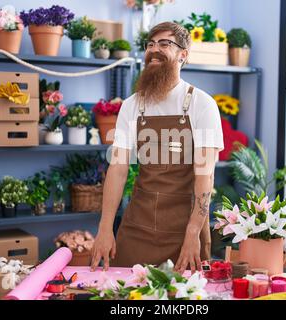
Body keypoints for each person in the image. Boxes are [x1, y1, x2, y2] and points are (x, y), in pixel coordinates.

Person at [91, 21, 224, 274]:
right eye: (151, 44)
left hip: (185, 228)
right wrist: (105, 227)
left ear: (183, 55)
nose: (155, 49)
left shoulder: (201, 104)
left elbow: (205, 177)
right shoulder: (132, 106)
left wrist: (193, 233)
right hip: (137, 226)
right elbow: (118, 169)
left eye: (165, 44)